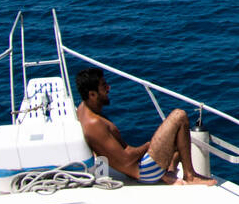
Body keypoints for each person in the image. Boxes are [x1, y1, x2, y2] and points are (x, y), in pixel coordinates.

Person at [74, 67, 216, 186]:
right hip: (144, 173)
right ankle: (190, 176)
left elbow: (102, 151)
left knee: (180, 142)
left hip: (131, 170)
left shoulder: (82, 109)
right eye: (104, 86)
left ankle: (169, 173)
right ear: (92, 94)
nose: (108, 88)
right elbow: (126, 159)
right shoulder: (95, 124)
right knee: (180, 116)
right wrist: (149, 145)